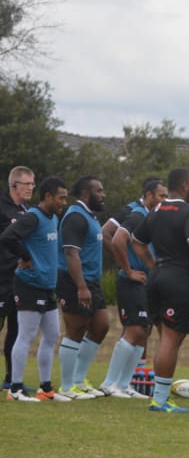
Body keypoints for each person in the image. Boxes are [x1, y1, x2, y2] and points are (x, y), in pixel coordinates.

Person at [131, 167, 189, 413]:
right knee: (171, 340)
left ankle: (161, 396)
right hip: (179, 280)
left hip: (157, 278)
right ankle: (160, 399)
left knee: (166, 337)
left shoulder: (156, 210)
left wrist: (153, 266)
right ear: (184, 185)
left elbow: (137, 241)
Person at [97, 177, 168, 399]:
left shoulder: (152, 216)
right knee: (134, 330)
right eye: (161, 196)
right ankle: (109, 383)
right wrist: (127, 270)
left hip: (145, 282)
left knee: (143, 332)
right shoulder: (136, 214)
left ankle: (124, 383)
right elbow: (115, 238)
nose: (164, 200)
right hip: (131, 281)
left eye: (166, 196)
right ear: (149, 195)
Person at [0, 176, 65, 402]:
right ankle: (15, 389)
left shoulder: (53, 218)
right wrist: (26, 257)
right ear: (48, 196)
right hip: (29, 284)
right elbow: (7, 237)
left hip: (47, 286)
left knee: (52, 335)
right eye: (60, 198)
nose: (63, 202)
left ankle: (45, 389)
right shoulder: (32, 217)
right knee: (25, 335)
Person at [55, 176, 109, 400]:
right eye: (99, 191)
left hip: (92, 282)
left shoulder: (90, 216)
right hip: (74, 281)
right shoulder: (75, 217)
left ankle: (79, 380)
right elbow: (71, 253)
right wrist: (81, 286)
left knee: (101, 326)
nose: (103, 195)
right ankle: (67, 387)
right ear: (86, 193)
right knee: (76, 330)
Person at [1, 166, 34, 391]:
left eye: (33, 184)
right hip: (1, 276)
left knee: (16, 329)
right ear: (14, 185)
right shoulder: (2, 207)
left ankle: (11, 379)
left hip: (18, 279)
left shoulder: (26, 211)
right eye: (27, 184)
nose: (31, 188)